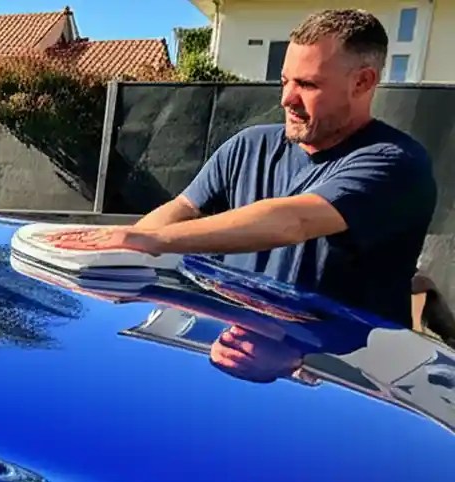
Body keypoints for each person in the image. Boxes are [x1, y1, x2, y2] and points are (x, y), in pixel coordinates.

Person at [45, 8, 437, 327]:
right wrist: (109, 254)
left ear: (363, 82)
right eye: (285, 80)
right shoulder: (250, 146)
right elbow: (180, 211)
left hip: (341, 378)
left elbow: (293, 221)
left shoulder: (395, 164)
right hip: (243, 348)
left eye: (308, 85)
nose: (287, 98)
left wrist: (153, 242)